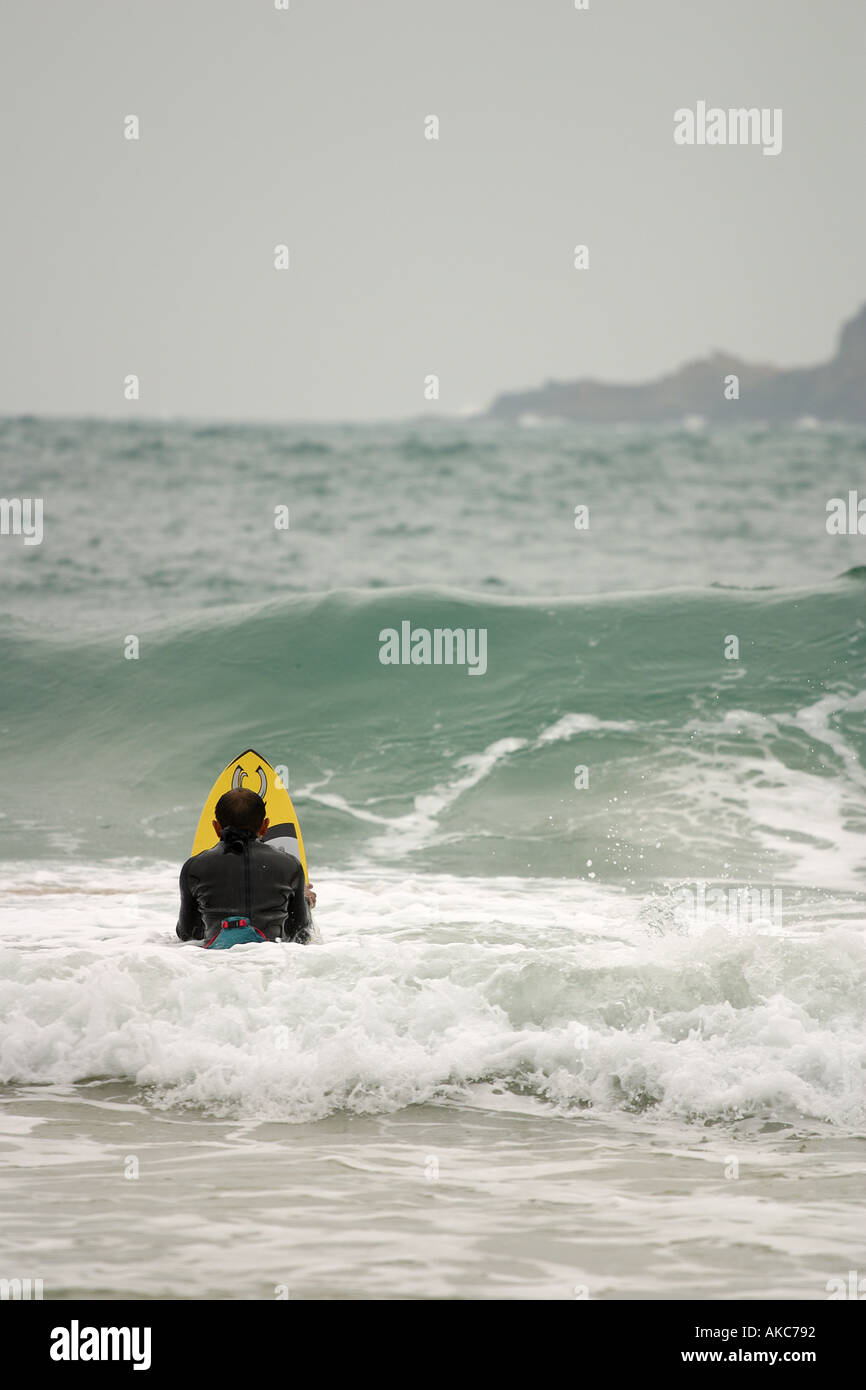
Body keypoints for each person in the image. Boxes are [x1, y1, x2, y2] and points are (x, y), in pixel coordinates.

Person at [176, 787, 316, 947]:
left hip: (216, 960)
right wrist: (305, 900)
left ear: (216, 828)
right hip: (269, 957)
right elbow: (301, 934)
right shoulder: (290, 865)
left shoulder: (194, 867)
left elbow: (187, 934)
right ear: (265, 826)